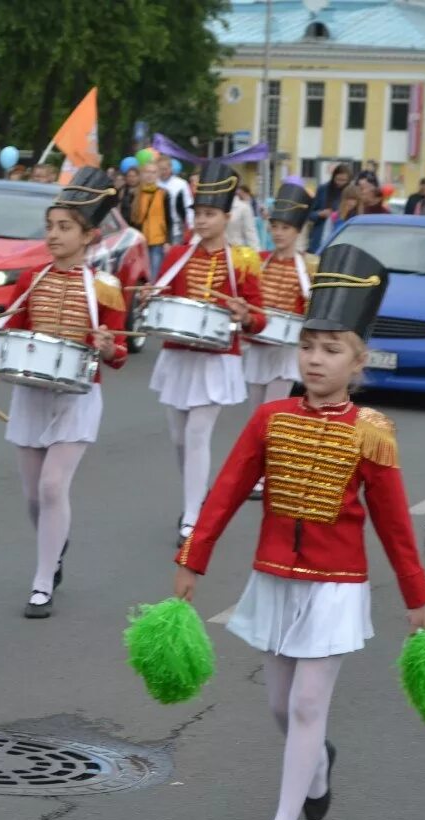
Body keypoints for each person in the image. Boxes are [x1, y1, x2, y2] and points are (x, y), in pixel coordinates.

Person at [173, 243, 425, 820]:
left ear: (358, 360)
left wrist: (415, 594)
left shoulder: (371, 432)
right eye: (309, 346)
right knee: (280, 707)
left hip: (337, 584)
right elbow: (225, 492)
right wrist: (193, 559)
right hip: (274, 576)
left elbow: (394, 522)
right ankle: (316, 767)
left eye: (331, 349)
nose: (316, 359)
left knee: (310, 703)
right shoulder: (271, 418)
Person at [0, 167, 129, 617]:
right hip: (31, 394)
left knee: (53, 487)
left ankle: (42, 580)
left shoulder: (106, 289)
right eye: (50, 226)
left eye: (64, 227)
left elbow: (119, 352)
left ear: (88, 236)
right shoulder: (30, 279)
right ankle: (54, 544)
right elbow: (11, 328)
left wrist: (108, 347)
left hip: (77, 398)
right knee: (34, 497)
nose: (53, 234)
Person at [148, 162, 265, 543]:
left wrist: (245, 316)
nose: (201, 220)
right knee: (180, 439)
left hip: (217, 357)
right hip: (179, 355)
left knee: (198, 434)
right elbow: (162, 301)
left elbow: (260, 318)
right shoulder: (176, 256)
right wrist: (151, 300)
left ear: (227, 217)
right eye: (198, 213)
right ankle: (196, 496)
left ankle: (193, 517)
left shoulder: (243, 261)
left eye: (210, 214)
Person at [243, 182, 315, 486]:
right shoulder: (257, 260)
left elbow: (312, 308)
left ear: (297, 231)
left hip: (285, 349)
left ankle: (267, 475)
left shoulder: (309, 267)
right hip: (258, 345)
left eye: (285, 228)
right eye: (275, 227)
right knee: (255, 414)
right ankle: (255, 470)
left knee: (273, 414)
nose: (278, 233)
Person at [133, 162, 170, 278]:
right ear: (142, 174)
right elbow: (131, 219)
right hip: (140, 240)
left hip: (158, 239)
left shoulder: (164, 194)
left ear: (158, 175)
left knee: (154, 274)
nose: (150, 175)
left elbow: (169, 219)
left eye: (153, 172)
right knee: (140, 275)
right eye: (147, 172)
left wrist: (168, 241)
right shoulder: (136, 193)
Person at [157, 155, 193, 243]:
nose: (163, 172)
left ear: (170, 168)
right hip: (157, 229)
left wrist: (191, 225)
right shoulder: (154, 184)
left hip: (176, 229)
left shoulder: (181, 184)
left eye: (165, 169)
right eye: (160, 169)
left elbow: (188, 205)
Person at [227, 184, 261, 251]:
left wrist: (257, 253)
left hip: (236, 251)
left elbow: (250, 233)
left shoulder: (243, 207)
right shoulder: (212, 205)